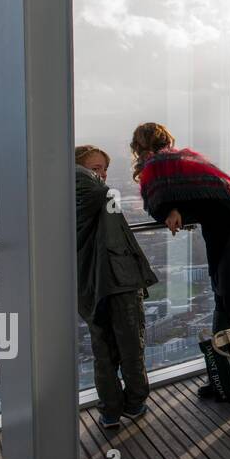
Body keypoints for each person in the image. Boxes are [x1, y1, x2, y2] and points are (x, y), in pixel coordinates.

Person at [132, 123, 230, 398]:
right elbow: (196, 197)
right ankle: (223, 371)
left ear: (140, 146)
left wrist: (168, 209)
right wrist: (174, 208)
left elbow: (157, 198)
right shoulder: (182, 161)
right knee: (223, 302)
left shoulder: (160, 165)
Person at [75, 145, 158, 428]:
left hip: (89, 285)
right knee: (131, 345)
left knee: (103, 349)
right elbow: (87, 182)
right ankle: (134, 403)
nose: (102, 174)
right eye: (94, 168)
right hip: (118, 281)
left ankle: (110, 410)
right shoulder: (88, 190)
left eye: (104, 168)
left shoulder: (64, 200)